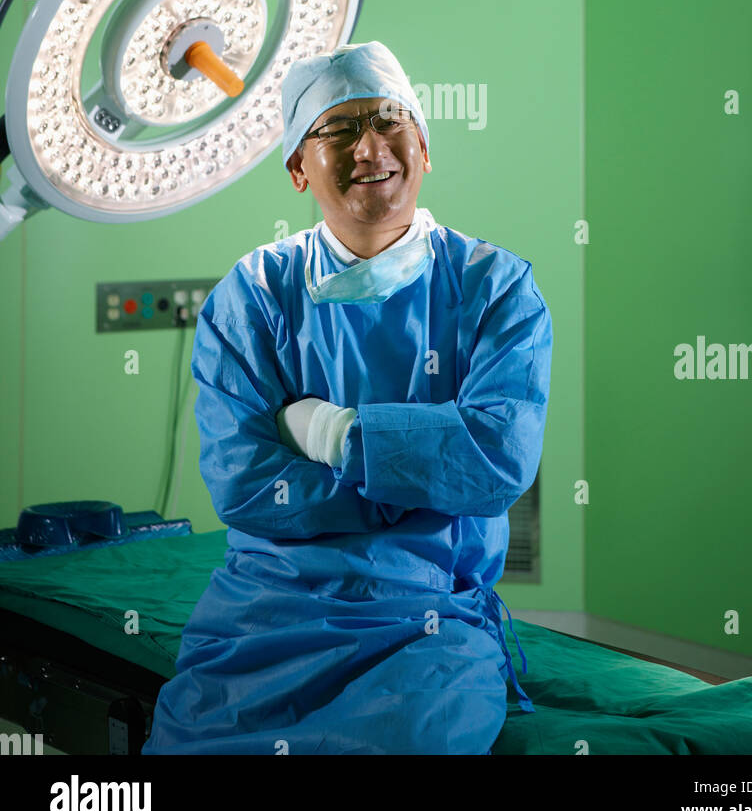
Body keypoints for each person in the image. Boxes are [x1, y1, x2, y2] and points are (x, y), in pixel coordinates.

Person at [142, 40, 553, 755]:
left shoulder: (496, 289)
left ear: (424, 147)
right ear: (298, 168)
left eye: (390, 122)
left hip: (428, 623)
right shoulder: (255, 295)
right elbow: (243, 483)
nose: (370, 147)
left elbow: (496, 463)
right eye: (336, 129)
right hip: (265, 616)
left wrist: (331, 434)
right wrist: (419, 480)